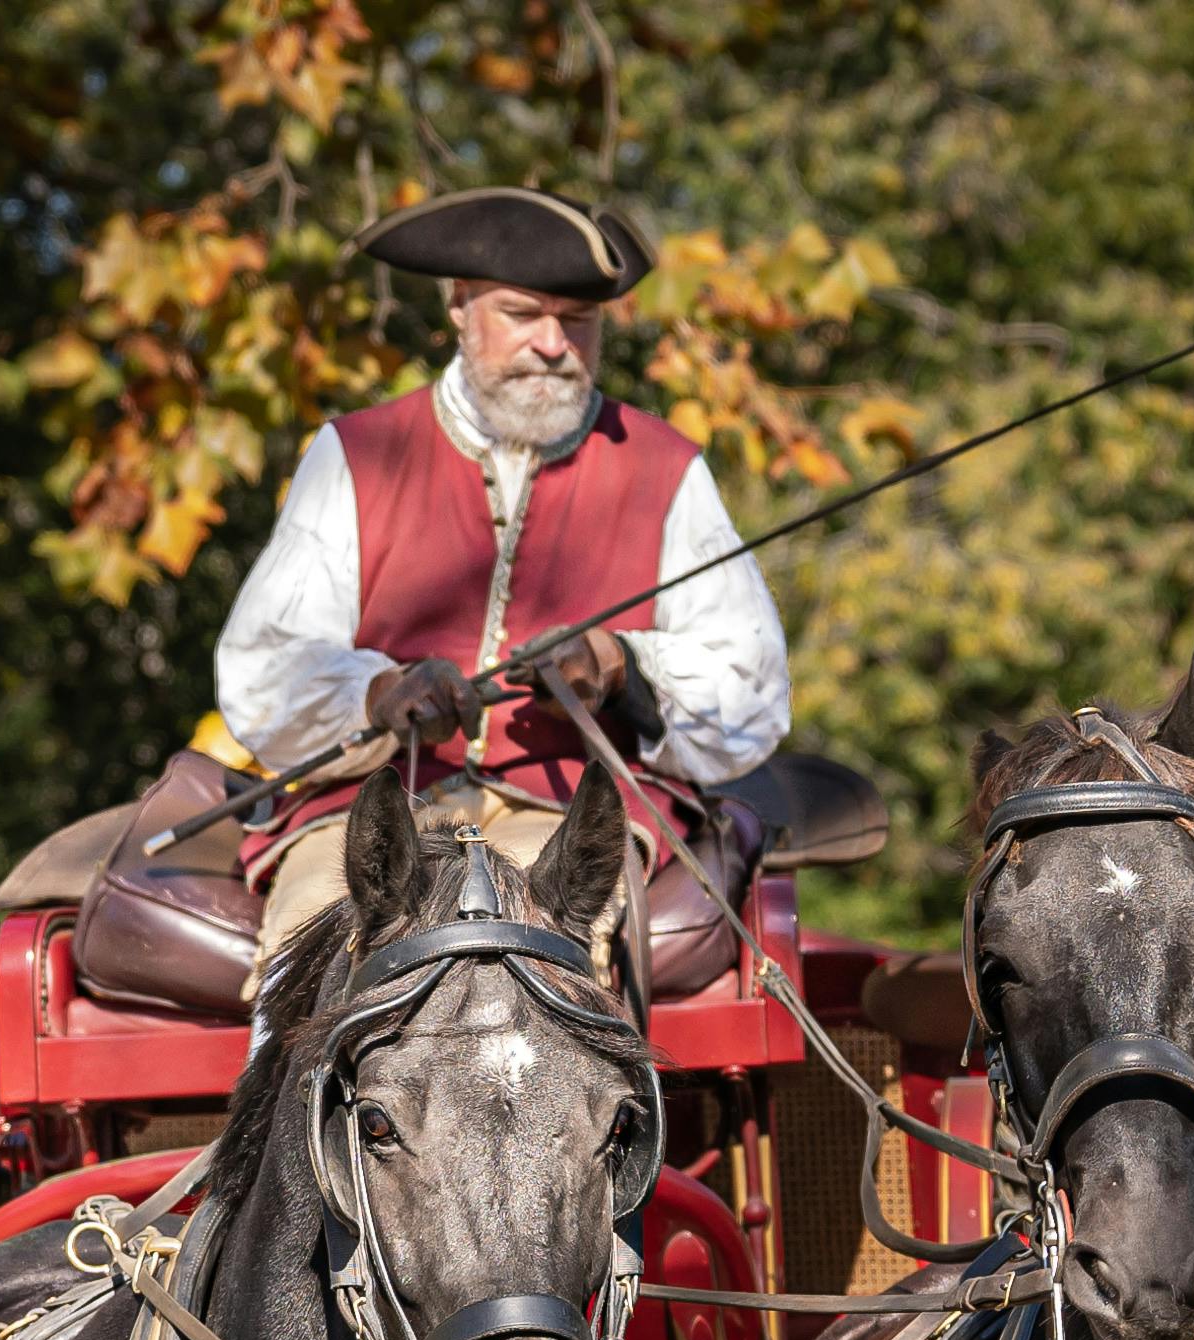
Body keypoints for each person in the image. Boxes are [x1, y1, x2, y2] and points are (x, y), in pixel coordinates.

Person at [217, 186, 790, 986]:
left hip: (568, 817)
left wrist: (621, 666)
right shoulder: (355, 452)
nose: (553, 343)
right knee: (316, 947)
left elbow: (751, 688)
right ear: (459, 307)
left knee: (529, 950)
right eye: (523, 314)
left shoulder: (667, 467)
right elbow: (262, 665)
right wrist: (377, 691)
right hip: (377, 812)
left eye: (578, 322)